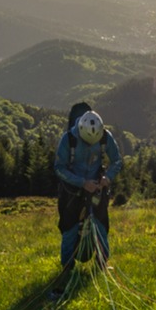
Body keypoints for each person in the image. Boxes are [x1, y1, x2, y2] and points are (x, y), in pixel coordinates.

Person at [51, 102, 121, 293]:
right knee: (69, 228)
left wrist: (108, 178)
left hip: (97, 188)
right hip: (72, 191)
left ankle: (101, 264)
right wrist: (82, 182)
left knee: (101, 226)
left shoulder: (105, 137)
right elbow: (59, 168)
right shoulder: (69, 140)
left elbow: (117, 160)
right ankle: (67, 268)